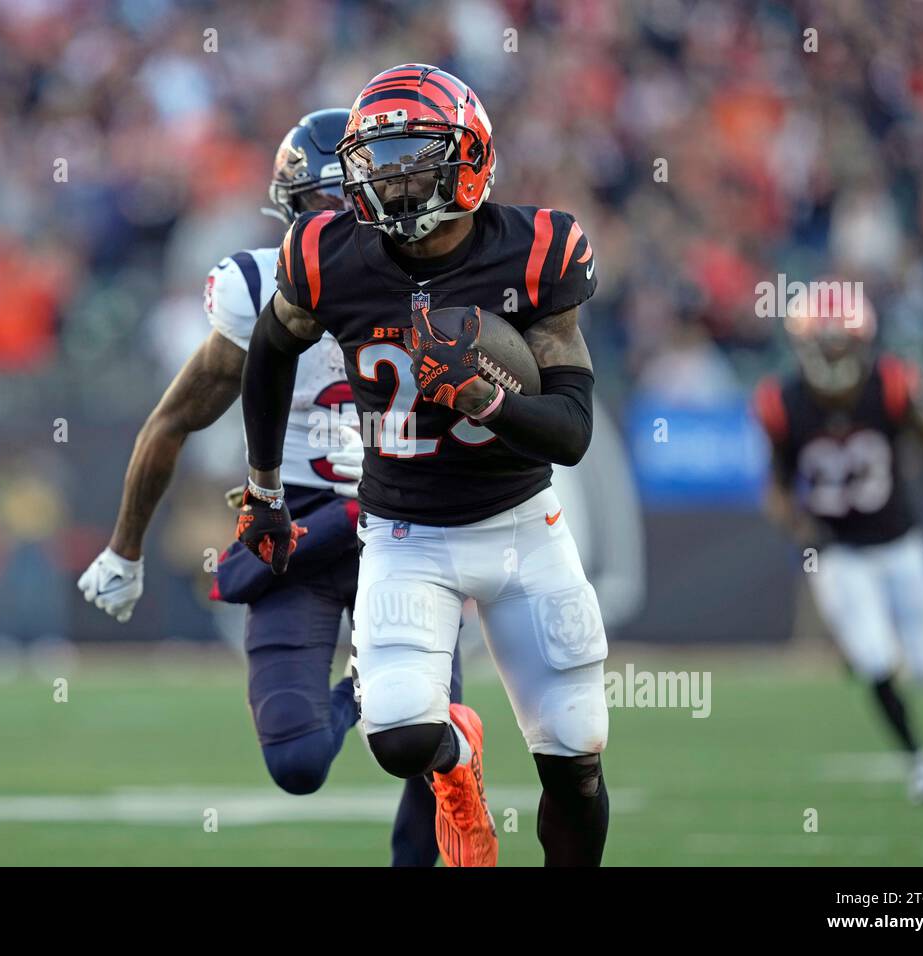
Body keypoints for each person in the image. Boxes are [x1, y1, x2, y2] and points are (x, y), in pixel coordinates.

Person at [235, 65, 610, 867]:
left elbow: (571, 431)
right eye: (381, 161)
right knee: (400, 734)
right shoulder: (326, 254)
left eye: (415, 156)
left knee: (574, 755)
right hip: (406, 531)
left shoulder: (536, 249)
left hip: (522, 528)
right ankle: (458, 760)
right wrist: (265, 490)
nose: (397, 180)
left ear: (469, 157)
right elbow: (268, 353)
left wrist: (483, 399)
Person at [78, 110, 461, 866]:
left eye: (355, 202)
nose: (345, 223)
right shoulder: (255, 290)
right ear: (290, 213)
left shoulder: (431, 283)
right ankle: (360, 684)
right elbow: (171, 421)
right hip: (294, 530)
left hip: (400, 530)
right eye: (325, 206)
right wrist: (124, 548)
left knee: (426, 732)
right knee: (296, 764)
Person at [753, 280, 923, 803]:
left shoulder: (892, 386)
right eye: (823, 343)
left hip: (901, 543)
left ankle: (860, 648)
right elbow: (776, 490)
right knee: (877, 659)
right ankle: (920, 761)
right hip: (840, 553)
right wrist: (804, 531)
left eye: (841, 343)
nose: (832, 355)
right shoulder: (782, 402)